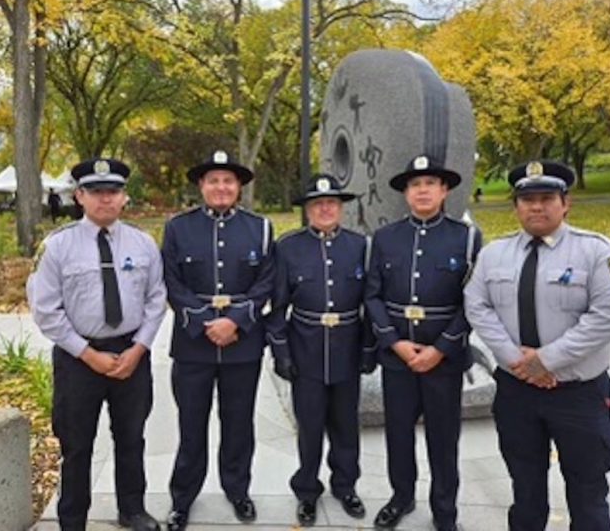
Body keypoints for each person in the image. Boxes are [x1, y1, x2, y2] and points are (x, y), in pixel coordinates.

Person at [464, 160, 610, 531]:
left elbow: (608, 315)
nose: (536, 206)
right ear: (516, 206)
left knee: (588, 492)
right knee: (525, 490)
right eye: (527, 199)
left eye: (546, 198)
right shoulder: (494, 255)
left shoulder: (597, 252)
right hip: (517, 393)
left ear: (565, 203)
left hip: (578, 396)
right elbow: (476, 305)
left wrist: (547, 361)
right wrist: (516, 361)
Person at [27, 157, 166, 531]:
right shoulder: (57, 247)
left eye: (113, 191)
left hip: (131, 353)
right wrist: (88, 355)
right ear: (79, 196)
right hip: (78, 358)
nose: (106, 199)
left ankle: (132, 510)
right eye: (96, 192)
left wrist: (138, 349)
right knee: (76, 444)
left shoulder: (143, 243)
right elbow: (46, 310)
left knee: (131, 437)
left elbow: (156, 299)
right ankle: (72, 519)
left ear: (124, 197)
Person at [365, 154, 481, 531]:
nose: (423, 191)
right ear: (406, 194)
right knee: (398, 433)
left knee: (443, 439)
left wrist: (442, 348)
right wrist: (393, 343)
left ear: (444, 190)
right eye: (416, 185)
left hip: (442, 360)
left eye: (431, 183)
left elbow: (474, 301)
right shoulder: (384, 238)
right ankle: (401, 497)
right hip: (398, 356)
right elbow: (373, 296)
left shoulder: (466, 239)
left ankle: (445, 511)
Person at [162, 150, 275, 531]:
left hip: (242, 343)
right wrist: (207, 322)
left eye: (229, 181)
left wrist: (236, 321)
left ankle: (237, 490)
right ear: (201, 186)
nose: (221, 187)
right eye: (214, 180)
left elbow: (266, 282)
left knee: (239, 423)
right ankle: (182, 499)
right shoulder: (179, 228)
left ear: (239, 187)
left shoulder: (259, 228)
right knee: (192, 425)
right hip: (194, 342)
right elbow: (172, 282)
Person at [266, 173, 376, 527]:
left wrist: (368, 348)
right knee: (310, 426)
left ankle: (345, 486)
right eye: (318, 204)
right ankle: (307, 491)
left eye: (331, 203)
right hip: (306, 349)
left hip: (346, 346)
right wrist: (281, 352)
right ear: (308, 210)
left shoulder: (360, 246)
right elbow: (278, 306)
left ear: (340, 208)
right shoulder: (288, 247)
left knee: (346, 426)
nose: (325, 209)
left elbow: (370, 303)